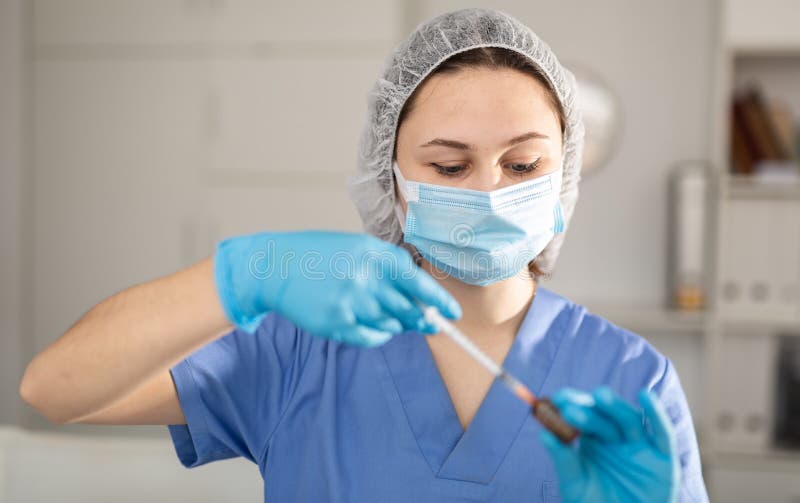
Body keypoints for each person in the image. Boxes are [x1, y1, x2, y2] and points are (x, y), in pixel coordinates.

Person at [19, 8, 709, 502]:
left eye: (523, 164)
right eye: (449, 166)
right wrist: (244, 273)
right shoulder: (297, 349)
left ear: (565, 173)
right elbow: (53, 389)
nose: (490, 192)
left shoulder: (633, 382)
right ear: (392, 178)